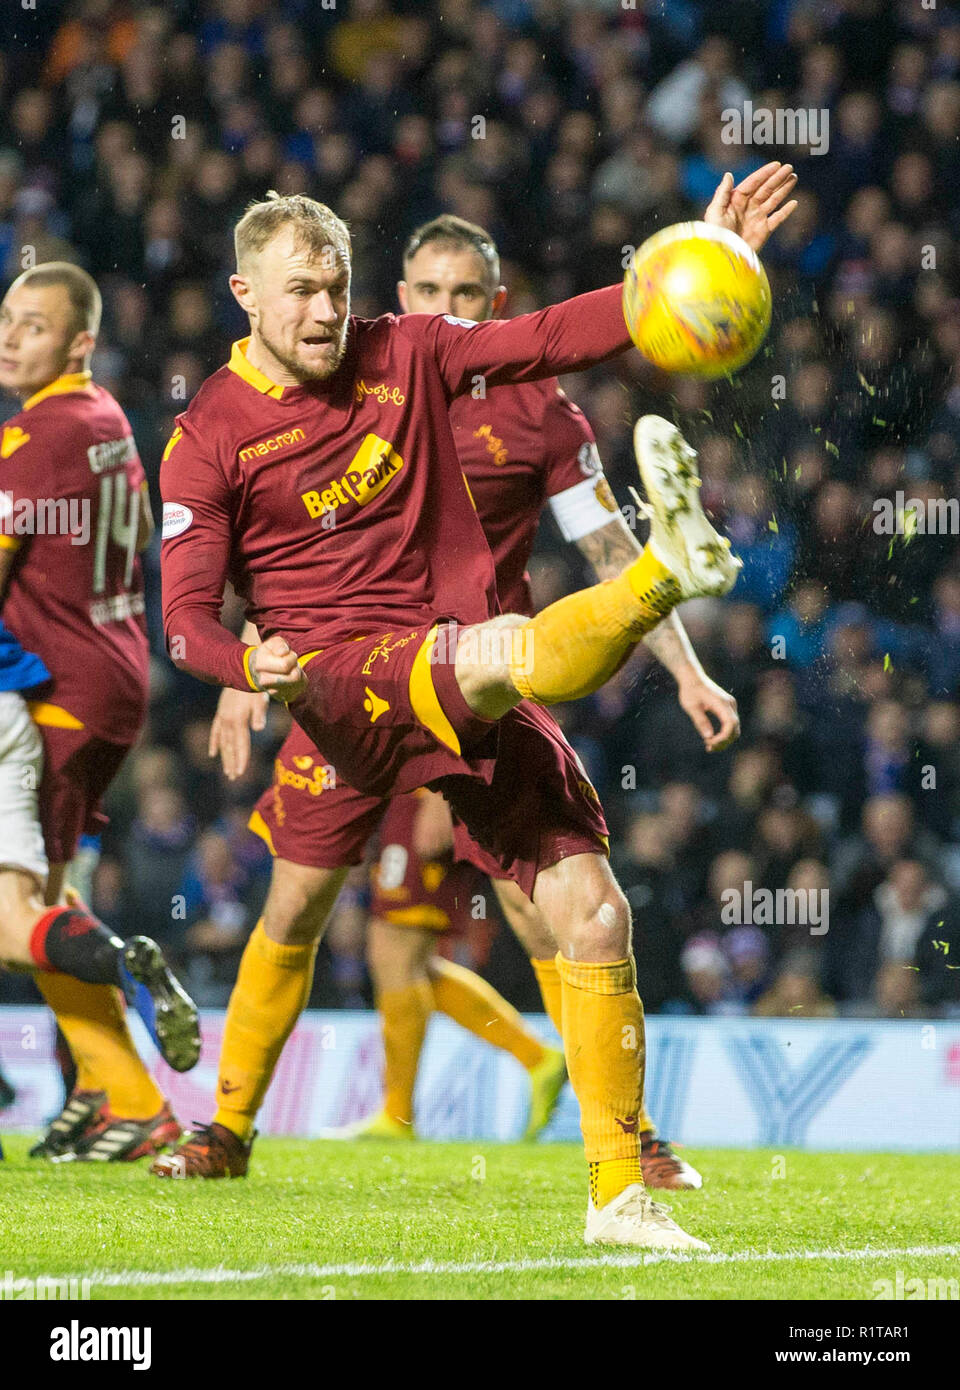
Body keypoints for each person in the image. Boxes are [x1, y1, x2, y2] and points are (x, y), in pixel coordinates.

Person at [151, 174, 791, 1250]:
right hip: (336, 679)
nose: (323, 311)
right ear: (243, 294)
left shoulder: (407, 350)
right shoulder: (206, 436)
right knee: (302, 904)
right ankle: (223, 1125)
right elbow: (180, 617)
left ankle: (616, 1195)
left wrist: (679, 272)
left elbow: (549, 335)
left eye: (336, 287)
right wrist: (239, 662)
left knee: (592, 910)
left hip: (454, 654)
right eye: (301, 290)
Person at [0, 263, 201, 1161]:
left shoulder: (31, 439)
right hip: (113, 675)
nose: (11, 338)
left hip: (54, 689)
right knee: (46, 895)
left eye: (33, 326)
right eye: (6, 319)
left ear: (80, 339)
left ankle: (119, 971)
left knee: (24, 918)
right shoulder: (107, 416)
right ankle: (109, 1092)